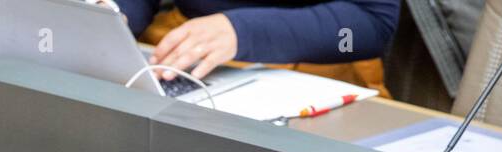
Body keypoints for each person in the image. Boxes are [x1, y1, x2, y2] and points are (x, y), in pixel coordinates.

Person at [95, 0, 399, 92]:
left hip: (310, 68)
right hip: (176, 49)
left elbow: (372, 23)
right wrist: (112, 12)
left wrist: (240, 32)